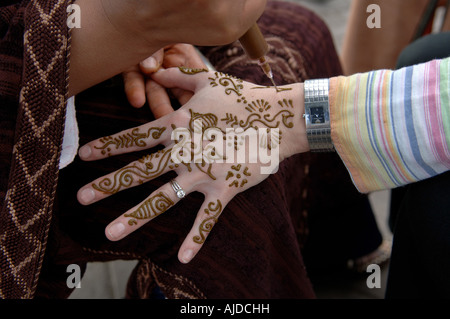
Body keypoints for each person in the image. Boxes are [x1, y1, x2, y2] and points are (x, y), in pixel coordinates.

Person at [2, 0, 361, 299]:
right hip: (34, 73)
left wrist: (140, 33)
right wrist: (119, 27)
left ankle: (335, 254)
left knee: (300, 29)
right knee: (227, 201)